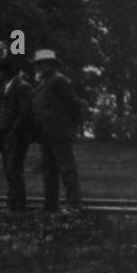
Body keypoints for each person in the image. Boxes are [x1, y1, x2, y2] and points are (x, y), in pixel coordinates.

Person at [33, 49, 83, 212]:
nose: (40, 66)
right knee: (49, 171)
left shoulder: (60, 81)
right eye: (38, 64)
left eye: (43, 63)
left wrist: (67, 126)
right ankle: (50, 205)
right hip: (46, 134)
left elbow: (73, 106)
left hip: (59, 133)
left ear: (52, 64)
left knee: (67, 169)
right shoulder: (44, 82)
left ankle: (74, 205)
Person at [0, 55, 38, 211]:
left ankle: (15, 205)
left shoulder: (22, 87)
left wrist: (13, 131)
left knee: (14, 169)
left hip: (17, 136)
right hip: (5, 135)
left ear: (6, 72)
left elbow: (25, 112)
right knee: (10, 169)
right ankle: (16, 203)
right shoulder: (5, 88)